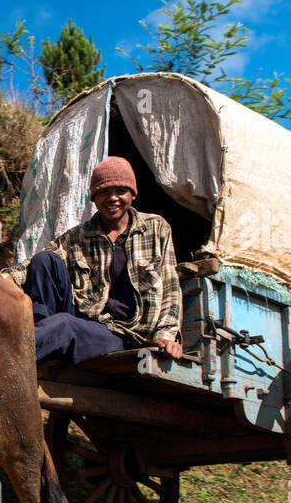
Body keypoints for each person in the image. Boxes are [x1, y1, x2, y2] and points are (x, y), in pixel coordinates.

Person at [25, 156, 183, 366]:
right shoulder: (79, 236)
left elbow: (171, 288)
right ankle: (41, 341)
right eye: (104, 192)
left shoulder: (156, 228)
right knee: (44, 260)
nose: (112, 198)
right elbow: (25, 268)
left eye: (120, 191)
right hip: (88, 321)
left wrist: (166, 335)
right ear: (94, 198)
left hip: (124, 335)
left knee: (64, 326)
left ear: (132, 194)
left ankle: (4, 362)